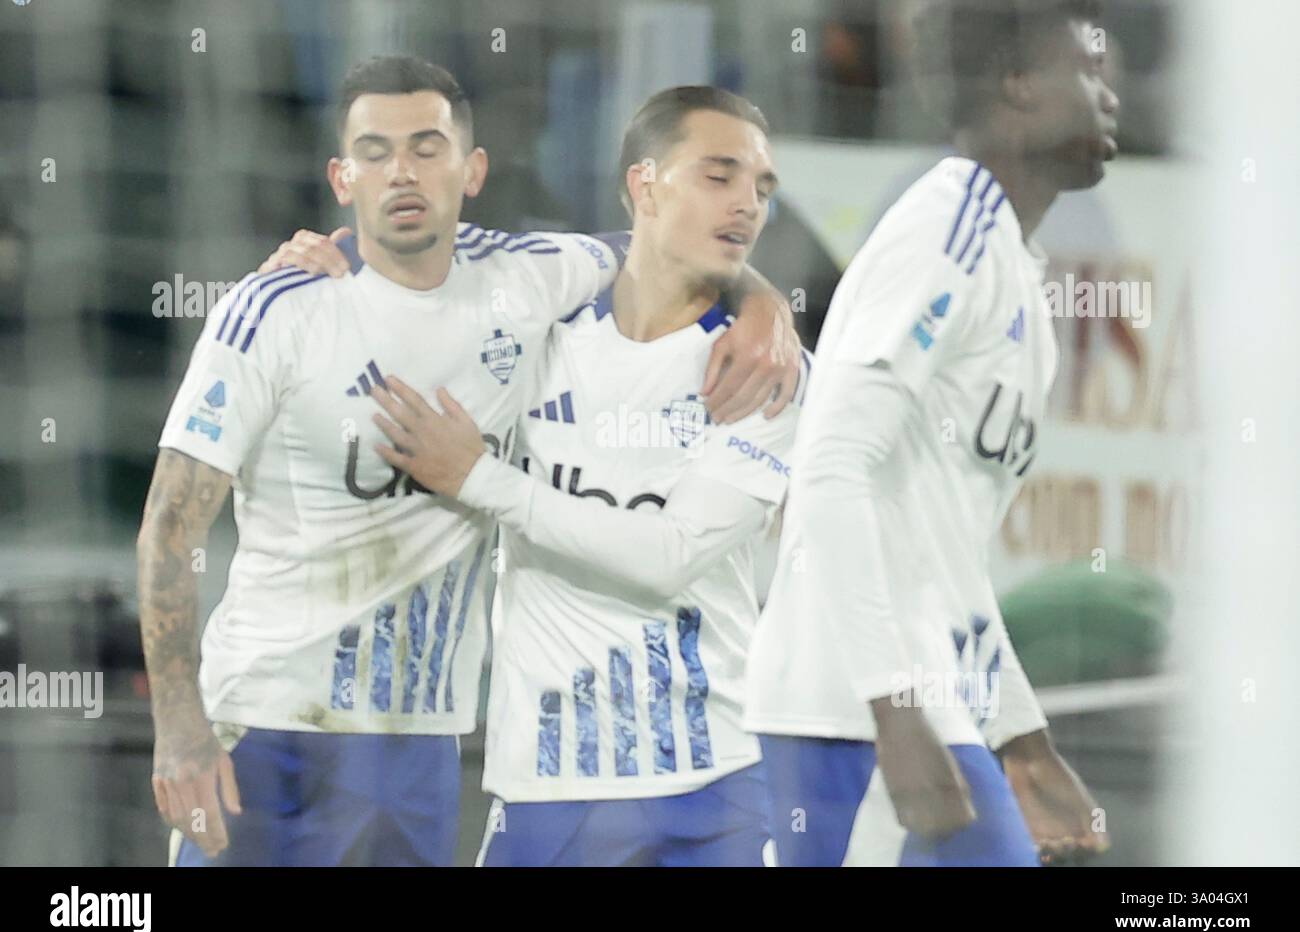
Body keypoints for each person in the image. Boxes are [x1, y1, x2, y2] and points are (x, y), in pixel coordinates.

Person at [138, 56, 795, 866]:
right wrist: (178, 729)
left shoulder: (526, 281)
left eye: (427, 147)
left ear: (472, 169)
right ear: (341, 178)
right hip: (269, 724)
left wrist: (766, 304)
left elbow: (667, 240)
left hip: (419, 746)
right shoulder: (275, 310)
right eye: (375, 152)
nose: (402, 171)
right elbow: (170, 526)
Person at [365, 87, 808, 866]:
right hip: (549, 785)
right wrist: (317, 257)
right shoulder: (536, 322)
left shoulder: (766, 368)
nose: (748, 205)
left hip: (713, 784)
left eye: (762, 189)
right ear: (644, 184)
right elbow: (409, 255)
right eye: (719, 176)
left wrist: (480, 478)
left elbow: (670, 555)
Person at [744, 0, 1118, 866]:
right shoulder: (946, 226)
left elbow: (944, 553)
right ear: (1021, 86)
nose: (1110, 96)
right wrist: (893, 712)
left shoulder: (1017, 273)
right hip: (848, 714)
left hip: (922, 703)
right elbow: (831, 465)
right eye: (1089, 72)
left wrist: (1021, 738)